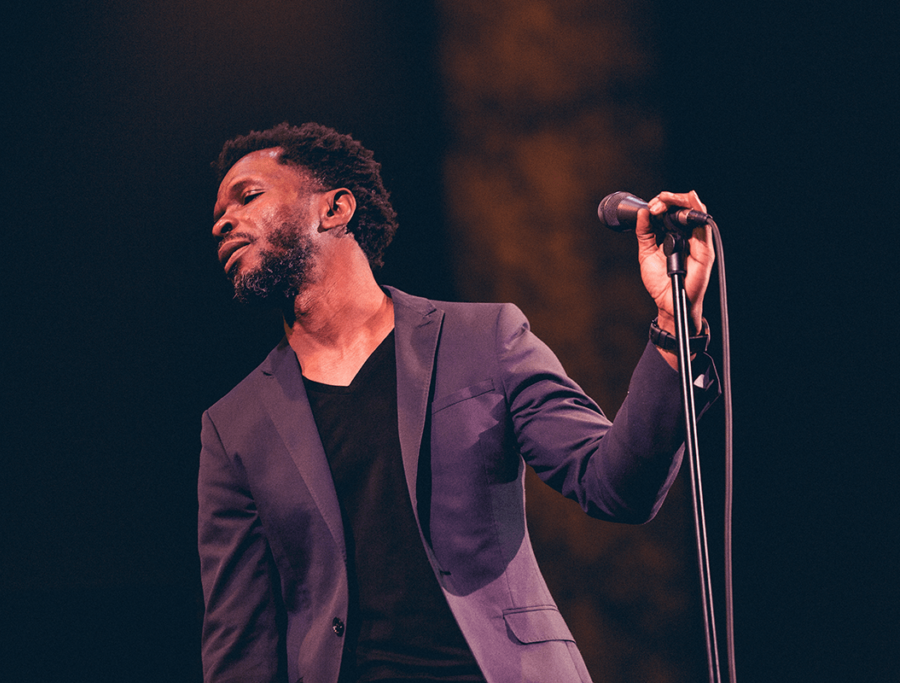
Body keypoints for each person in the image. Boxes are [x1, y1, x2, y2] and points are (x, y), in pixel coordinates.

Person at [198, 122, 719, 683]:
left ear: (336, 208)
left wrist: (673, 325)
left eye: (248, 196)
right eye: (218, 214)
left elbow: (615, 486)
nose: (222, 222)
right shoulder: (233, 426)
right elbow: (240, 643)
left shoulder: (485, 338)